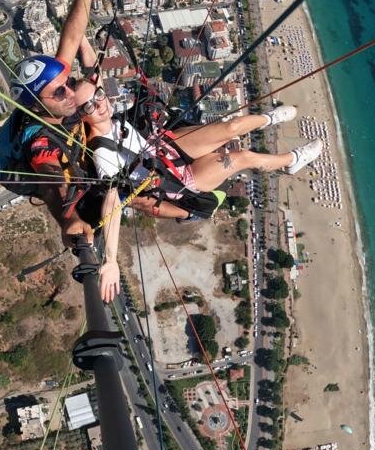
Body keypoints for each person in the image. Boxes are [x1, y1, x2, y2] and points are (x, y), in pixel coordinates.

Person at [69, 80, 323, 301]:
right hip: (178, 178)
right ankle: (293, 160)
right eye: (89, 105)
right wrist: (111, 260)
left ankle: (270, 118)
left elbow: (93, 67)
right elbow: (112, 200)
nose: (100, 104)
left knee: (230, 127)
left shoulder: (110, 118)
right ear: (82, 115)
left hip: (166, 148)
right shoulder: (102, 153)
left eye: (99, 95)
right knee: (240, 157)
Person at [2, 0, 104, 245]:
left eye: (67, 84)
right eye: (59, 93)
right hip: (69, 182)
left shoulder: (55, 98)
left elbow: (71, 37)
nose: (70, 92)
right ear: (36, 106)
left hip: (75, 153)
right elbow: (50, 181)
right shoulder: (40, 141)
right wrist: (68, 219)